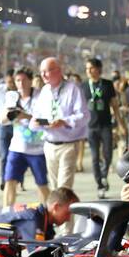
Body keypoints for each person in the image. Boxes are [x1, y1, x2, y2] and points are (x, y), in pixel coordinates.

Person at [36, 57, 89, 225]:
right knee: (54, 192)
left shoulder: (73, 89)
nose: (44, 75)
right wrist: (37, 122)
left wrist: (64, 121)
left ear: (58, 70)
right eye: (42, 71)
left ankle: (67, 231)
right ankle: (54, 226)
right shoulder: (44, 91)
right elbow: (36, 115)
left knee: (64, 191)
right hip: (49, 144)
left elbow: (83, 116)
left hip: (67, 145)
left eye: (48, 71)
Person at [0, 187, 78, 257]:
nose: (68, 218)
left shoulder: (41, 217)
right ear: (56, 207)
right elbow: (37, 256)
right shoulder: (34, 218)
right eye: (68, 213)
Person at [0, 67, 49, 209]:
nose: (20, 84)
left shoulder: (41, 96)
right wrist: (11, 115)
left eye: (23, 80)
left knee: (41, 184)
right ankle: (6, 213)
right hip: (17, 147)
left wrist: (26, 116)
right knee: (9, 181)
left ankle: (47, 215)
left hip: (38, 149)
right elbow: (2, 120)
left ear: (30, 81)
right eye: (17, 80)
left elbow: (49, 120)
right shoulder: (11, 96)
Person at [85, 57, 117, 196]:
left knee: (108, 154)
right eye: (87, 69)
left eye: (91, 68)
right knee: (94, 157)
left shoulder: (107, 84)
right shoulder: (84, 86)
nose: (89, 71)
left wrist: (120, 124)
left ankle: (104, 175)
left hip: (105, 125)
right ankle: (99, 184)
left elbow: (114, 105)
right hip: (90, 127)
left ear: (98, 69)